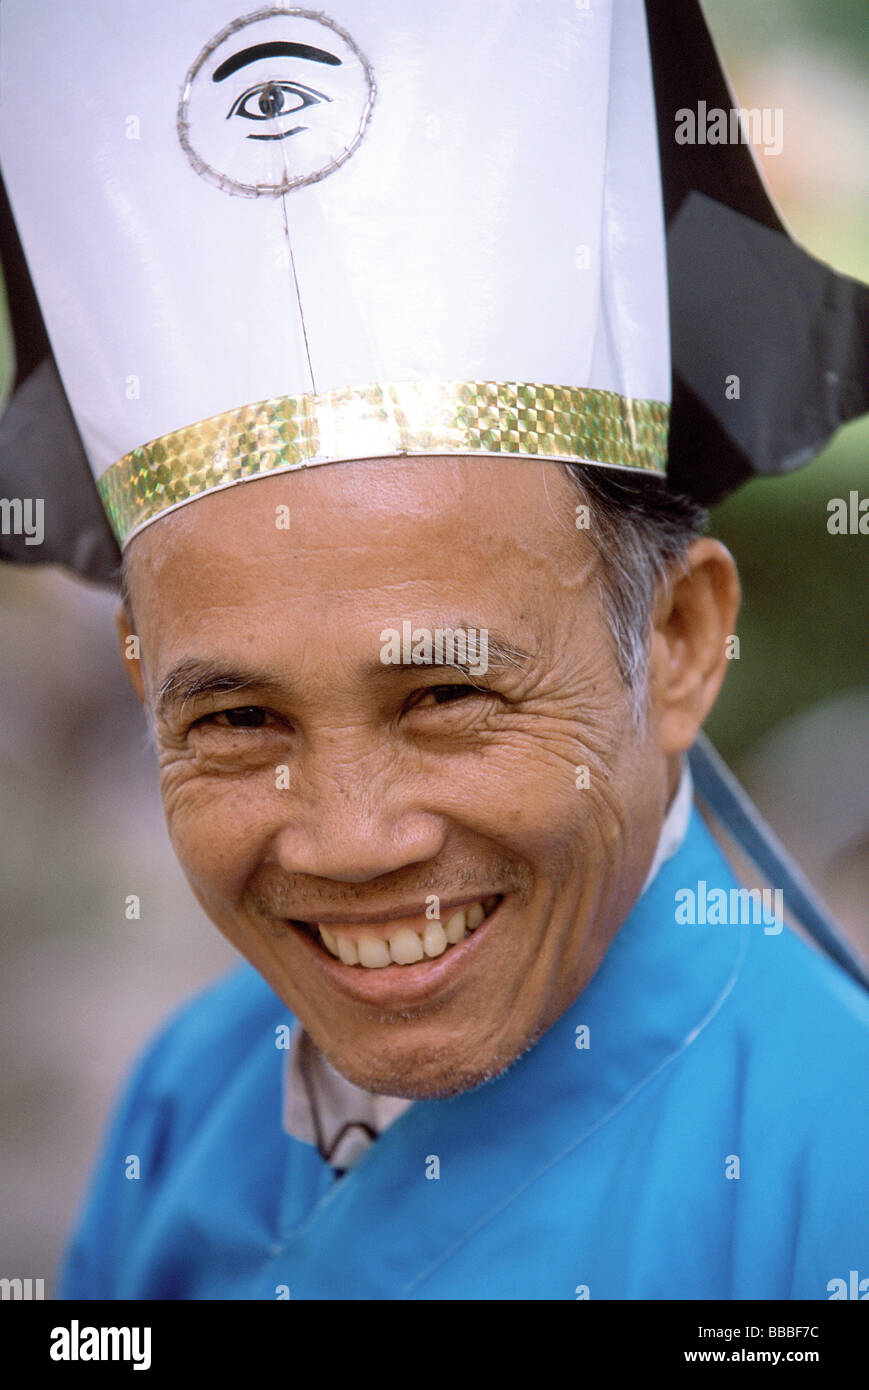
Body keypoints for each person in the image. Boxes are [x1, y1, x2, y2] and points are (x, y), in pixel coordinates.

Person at [0, 0, 867, 1300]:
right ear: (142, 684)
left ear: (681, 642)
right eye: (237, 721)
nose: (349, 838)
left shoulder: (828, 1173)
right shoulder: (192, 1089)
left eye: (447, 694)